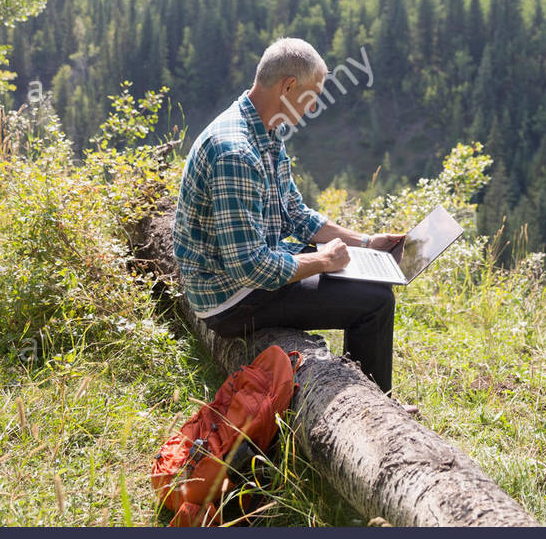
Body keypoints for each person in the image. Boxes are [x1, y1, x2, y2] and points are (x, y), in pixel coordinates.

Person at [173, 37, 412, 406]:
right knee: (376, 301)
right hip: (230, 299)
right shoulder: (236, 152)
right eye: (312, 94)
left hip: (245, 275)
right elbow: (248, 268)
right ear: (288, 86)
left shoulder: (265, 132)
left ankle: (368, 397)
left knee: (359, 274)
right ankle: (379, 409)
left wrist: (364, 242)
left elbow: (295, 214)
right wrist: (323, 261)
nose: (315, 105)